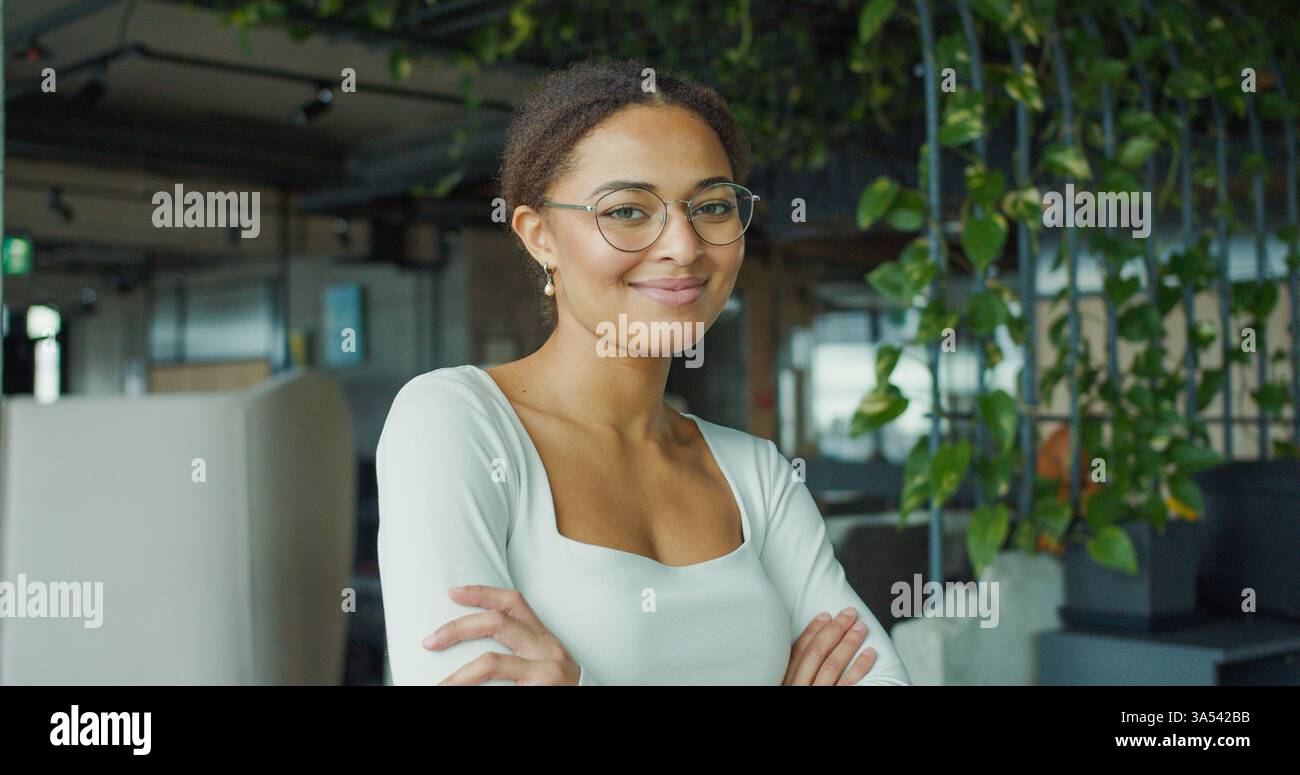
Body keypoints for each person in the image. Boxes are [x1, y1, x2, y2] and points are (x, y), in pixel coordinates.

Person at [376, 58, 911, 686]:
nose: (684, 246)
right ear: (539, 235)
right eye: (627, 211)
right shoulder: (453, 422)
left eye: (712, 206)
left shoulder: (757, 475)